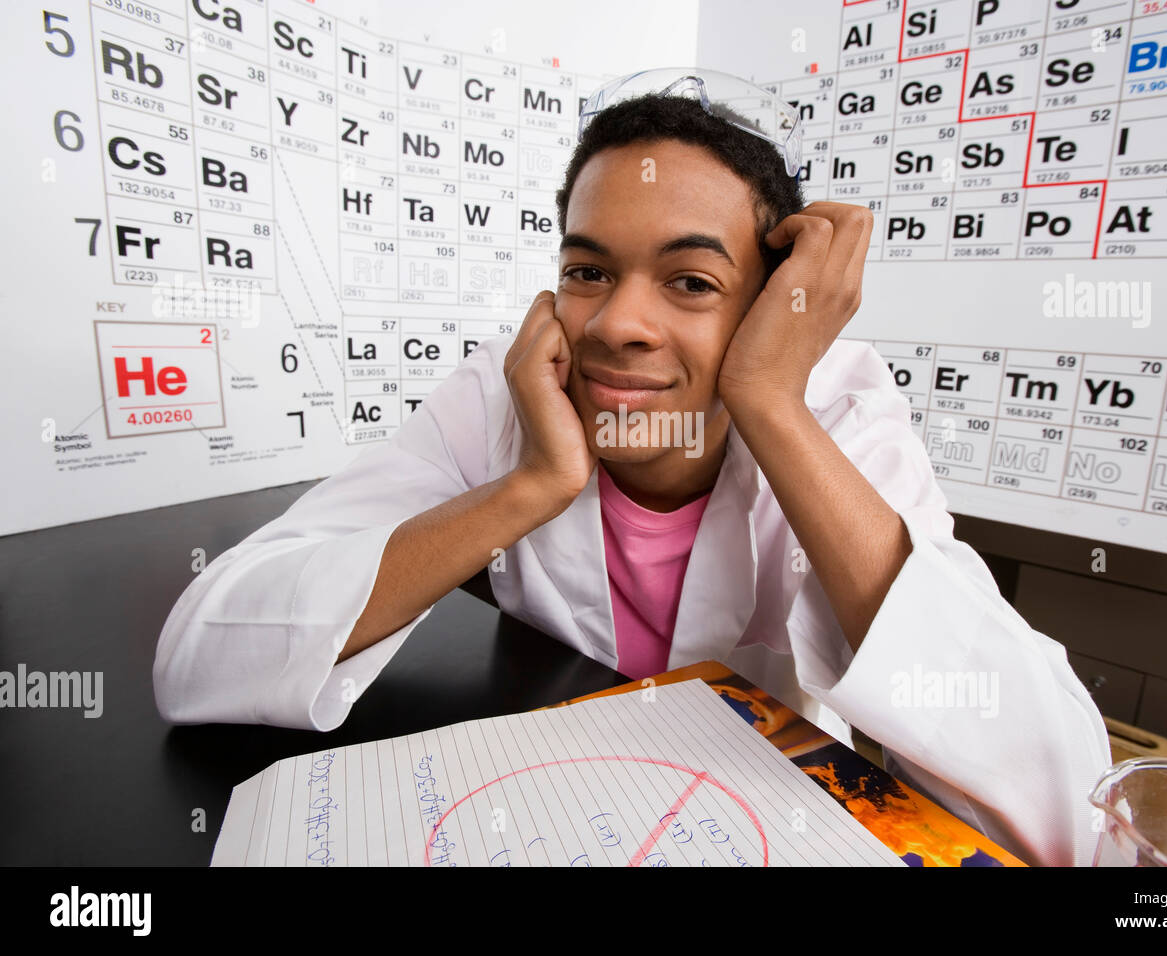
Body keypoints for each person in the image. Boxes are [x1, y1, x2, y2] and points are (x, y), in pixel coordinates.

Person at [153, 69, 1113, 867]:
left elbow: (1070, 806)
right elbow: (201, 656)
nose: (616, 323)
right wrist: (530, 486)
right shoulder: (507, 394)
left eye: (692, 282)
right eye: (588, 272)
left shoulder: (838, 410)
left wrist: (770, 402)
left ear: (772, 302)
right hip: (556, 813)